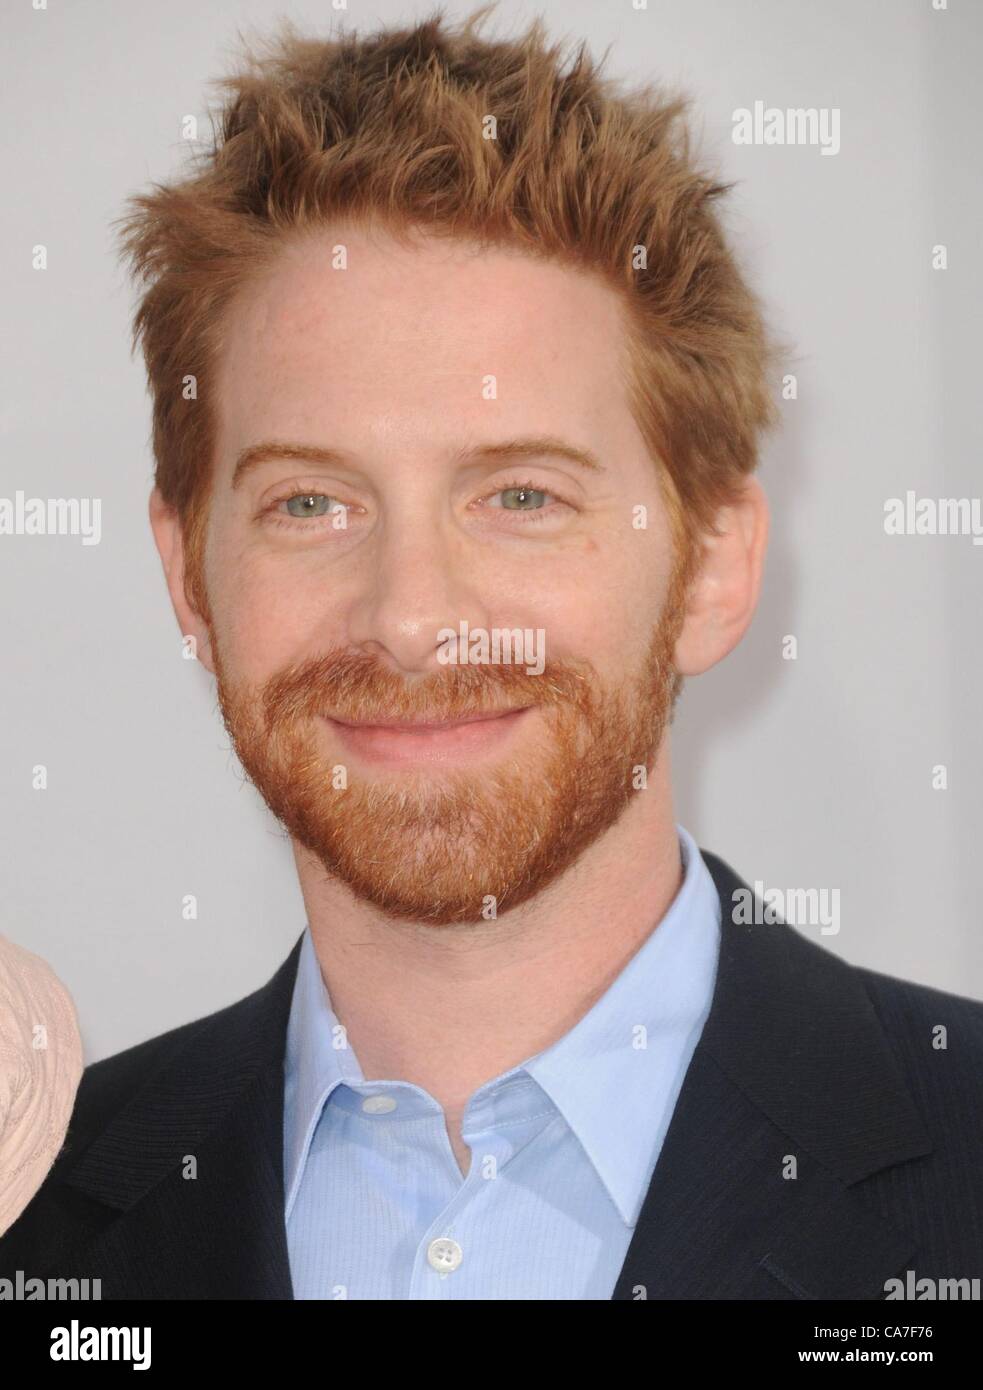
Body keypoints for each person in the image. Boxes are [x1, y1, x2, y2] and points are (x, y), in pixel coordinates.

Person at [2, 5, 981, 1300]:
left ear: (714, 566)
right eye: (311, 502)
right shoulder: (38, 1221)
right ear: (188, 573)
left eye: (522, 496)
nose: (412, 618)